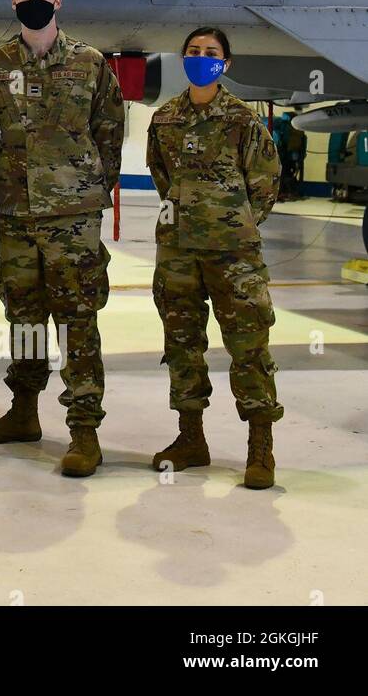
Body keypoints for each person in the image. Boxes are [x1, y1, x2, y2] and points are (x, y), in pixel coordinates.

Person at [0, 0, 124, 477]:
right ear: (13, 2)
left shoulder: (91, 63)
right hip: (14, 214)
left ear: (59, 1)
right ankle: (24, 413)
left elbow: (109, 131)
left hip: (73, 219)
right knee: (24, 318)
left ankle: (84, 431)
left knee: (78, 321)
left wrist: (85, 189)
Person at [147, 26, 283, 489]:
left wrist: (231, 226)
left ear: (225, 63)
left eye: (211, 53)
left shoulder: (243, 121)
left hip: (234, 257)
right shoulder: (163, 119)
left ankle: (260, 448)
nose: (201, 57)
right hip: (179, 254)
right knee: (182, 346)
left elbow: (264, 187)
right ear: (182, 57)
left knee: (249, 349)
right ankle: (191, 440)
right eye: (193, 51)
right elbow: (162, 178)